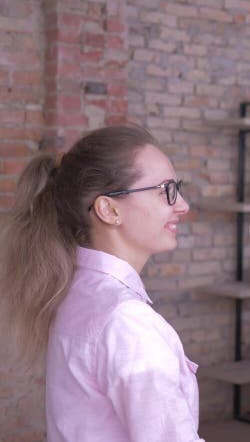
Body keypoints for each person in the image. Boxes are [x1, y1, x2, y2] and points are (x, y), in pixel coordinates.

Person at [0, 126, 201, 441]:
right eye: (165, 190)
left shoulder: (75, 290)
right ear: (109, 209)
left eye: (177, 188)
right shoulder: (128, 322)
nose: (183, 205)